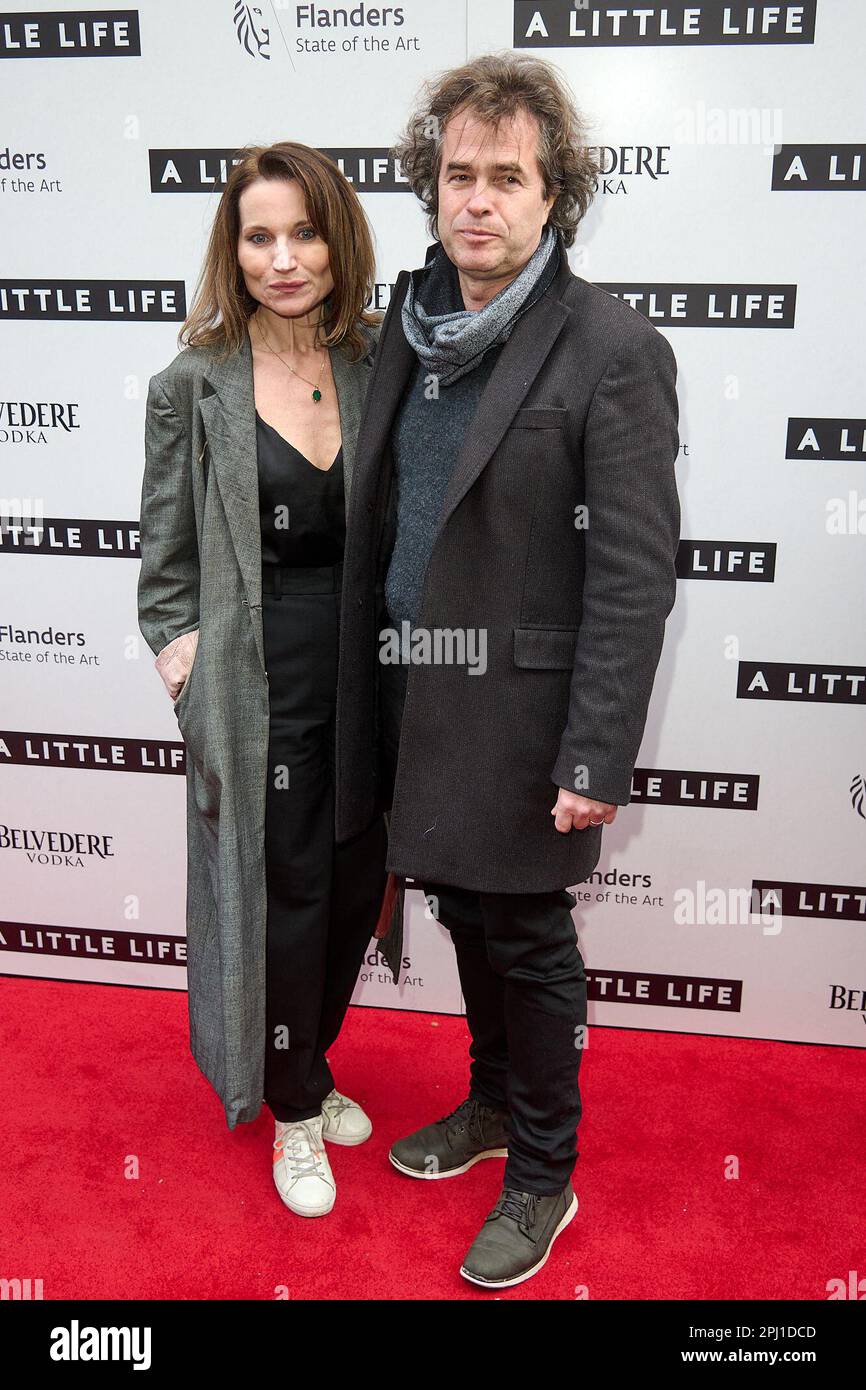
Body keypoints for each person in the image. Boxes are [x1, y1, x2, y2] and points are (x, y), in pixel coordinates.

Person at [337, 54, 681, 1286]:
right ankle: (487, 1108)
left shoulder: (610, 347)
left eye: (506, 178)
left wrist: (595, 751)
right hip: (411, 690)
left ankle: (542, 1171)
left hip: (529, 717)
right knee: (462, 914)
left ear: (554, 197)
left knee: (525, 936)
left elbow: (632, 573)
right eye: (456, 176)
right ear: (429, 189)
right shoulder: (405, 324)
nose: (476, 200)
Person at [137, 141, 393, 1219]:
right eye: (259, 237)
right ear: (231, 250)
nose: (283, 258)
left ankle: (314, 1059)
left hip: (373, 673)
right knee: (284, 893)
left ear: (338, 240)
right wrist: (179, 655)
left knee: (351, 894)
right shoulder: (192, 383)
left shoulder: (387, 364)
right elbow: (166, 558)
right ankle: (290, 1104)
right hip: (259, 674)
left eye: (304, 233)